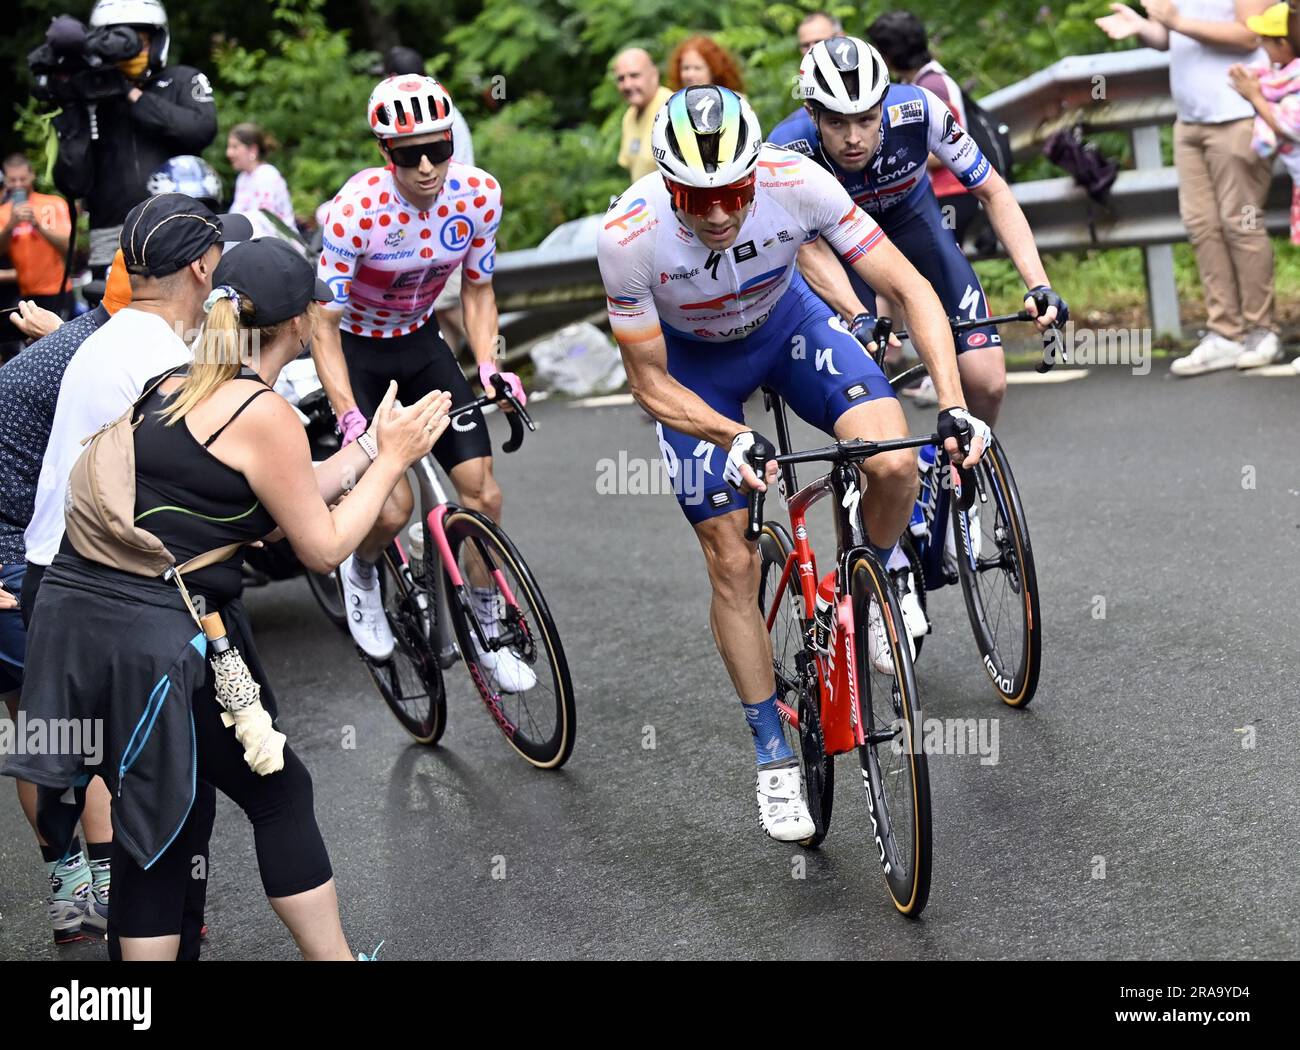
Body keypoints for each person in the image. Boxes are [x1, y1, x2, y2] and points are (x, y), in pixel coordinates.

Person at [6, 236, 451, 960]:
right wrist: (395, 456)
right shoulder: (259, 410)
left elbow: (278, 502)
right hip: (152, 640)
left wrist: (369, 449)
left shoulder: (180, 382)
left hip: (84, 621)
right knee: (272, 793)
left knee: (161, 821)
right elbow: (324, 546)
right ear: (303, 322)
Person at [596, 85, 990, 842]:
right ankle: (772, 757)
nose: (715, 215)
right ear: (667, 184)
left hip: (786, 327)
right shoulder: (630, 233)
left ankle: (868, 583)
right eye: (695, 198)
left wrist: (952, 402)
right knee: (732, 562)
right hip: (692, 371)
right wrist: (728, 435)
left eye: (732, 193)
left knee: (898, 463)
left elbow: (907, 286)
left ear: (756, 171)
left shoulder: (797, 181)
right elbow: (648, 382)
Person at [769, 38, 1066, 575]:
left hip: (920, 234)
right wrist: (856, 315)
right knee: (870, 420)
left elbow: (994, 192)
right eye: (836, 123)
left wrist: (1037, 282)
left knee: (987, 381)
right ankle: (882, 556)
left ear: (884, 103)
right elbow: (804, 246)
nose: (854, 137)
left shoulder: (920, 110)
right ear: (812, 114)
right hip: (844, 262)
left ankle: (959, 487)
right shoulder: (786, 150)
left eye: (865, 118)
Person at [312, 75, 534, 693]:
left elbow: (480, 289)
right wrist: (348, 414)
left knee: (482, 494)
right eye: (410, 154)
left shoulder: (479, 194)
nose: (429, 165)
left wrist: (489, 364)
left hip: (421, 345)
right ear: (386, 154)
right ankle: (360, 573)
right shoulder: (356, 213)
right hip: (357, 352)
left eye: (439, 147)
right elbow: (321, 323)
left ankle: (486, 627)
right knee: (392, 506)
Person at [0, 254, 134, 944]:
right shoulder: (111, 359)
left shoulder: (82, 344)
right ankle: (104, 896)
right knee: (73, 725)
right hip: (15, 555)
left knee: (42, 725)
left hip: (24, 541)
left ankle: (77, 901)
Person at [1098, 1, 1279, 373]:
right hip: (1190, 120)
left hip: (1237, 114)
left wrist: (1178, 20)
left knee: (1241, 224)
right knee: (1201, 226)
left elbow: (1252, 34)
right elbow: (1170, 36)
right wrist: (1144, 28)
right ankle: (1224, 333)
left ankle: (1262, 330)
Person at [51, 0, 217, 282]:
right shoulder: (92, 97)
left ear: (158, 40)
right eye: (116, 41)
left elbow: (201, 129)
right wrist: (72, 110)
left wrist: (132, 95)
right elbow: (73, 183)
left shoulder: (182, 79)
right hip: (111, 238)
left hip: (178, 229)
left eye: (137, 42)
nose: (129, 52)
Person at [381, 46, 476, 353]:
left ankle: (495, 375)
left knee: (451, 304)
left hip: (449, 219)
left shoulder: (432, 117)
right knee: (436, 314)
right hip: (440, 218)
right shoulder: (434, 109)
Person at [867, 11, 982, 244]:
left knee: (943, 267)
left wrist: (887, 154)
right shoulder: (914, 83)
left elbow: (944, 150)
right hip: (936, 194)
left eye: (878, 50)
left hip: (949, 194)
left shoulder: (932, 86)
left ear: (890, 53)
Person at [0, 154, 72, 320]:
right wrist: (11, 225)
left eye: (22, 178)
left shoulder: (53, 204)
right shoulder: (4, 212)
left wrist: (38, 225)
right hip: (26, 296)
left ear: (32, 175)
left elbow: (68, 247)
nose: (18, 184)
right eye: (12, 180)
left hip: (57, 291)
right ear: (6, 181)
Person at [614, 48, 673, 182]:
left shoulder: (670, 109)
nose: (627, 85)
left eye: (634, 75)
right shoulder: (629, 116)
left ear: (654, 75)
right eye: (621, 79)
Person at [226, 123, 297, 233]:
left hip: (278, 245)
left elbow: (264, 224)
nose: (229, 153)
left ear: (253, 150)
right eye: (229, 147)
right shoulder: (243, 178)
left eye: (235, 147)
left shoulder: (267, 175)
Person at [667, 35, 745, 93]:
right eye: (686, 68)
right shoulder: (672, 105)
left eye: (697, 68)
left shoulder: (734, 102)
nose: (690, 75)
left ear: (713, 71)